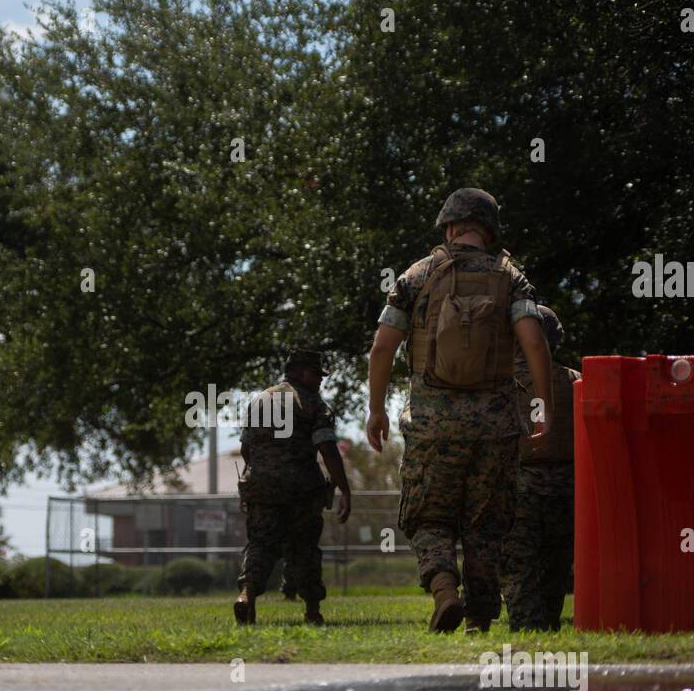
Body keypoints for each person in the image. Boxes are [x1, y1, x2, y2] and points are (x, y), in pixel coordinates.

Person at [366, 188, 553, 633]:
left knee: (429, 517)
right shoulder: (511, 278)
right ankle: (479, 623)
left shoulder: (418, 275)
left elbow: (381, 349)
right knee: (486, 526)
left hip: (433, 425)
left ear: (449, 225)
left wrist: (376, 410)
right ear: (488, 229)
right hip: (496, 427)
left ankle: (444, 591)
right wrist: (543, 403)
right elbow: (534, 340)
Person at [235, 349, 351, 626]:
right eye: (317, 374)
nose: (321, 381)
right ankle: (312, 611)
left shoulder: (260, 400)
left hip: (260, 488)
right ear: (302, 372)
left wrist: (264, 474)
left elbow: (246, 449)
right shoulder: (313, 404)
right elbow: (327, 449)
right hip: (302, 490)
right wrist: (345, 489)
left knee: (260, 544)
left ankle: (246, 596)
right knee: (305, 548)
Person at [500, 305, 579, 631]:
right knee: (556, 560)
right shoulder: (577, 382)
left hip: (517, 483)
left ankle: (527, 628)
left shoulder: (497, 384)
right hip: (567, 484)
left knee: (518, 561)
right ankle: (548, 624)